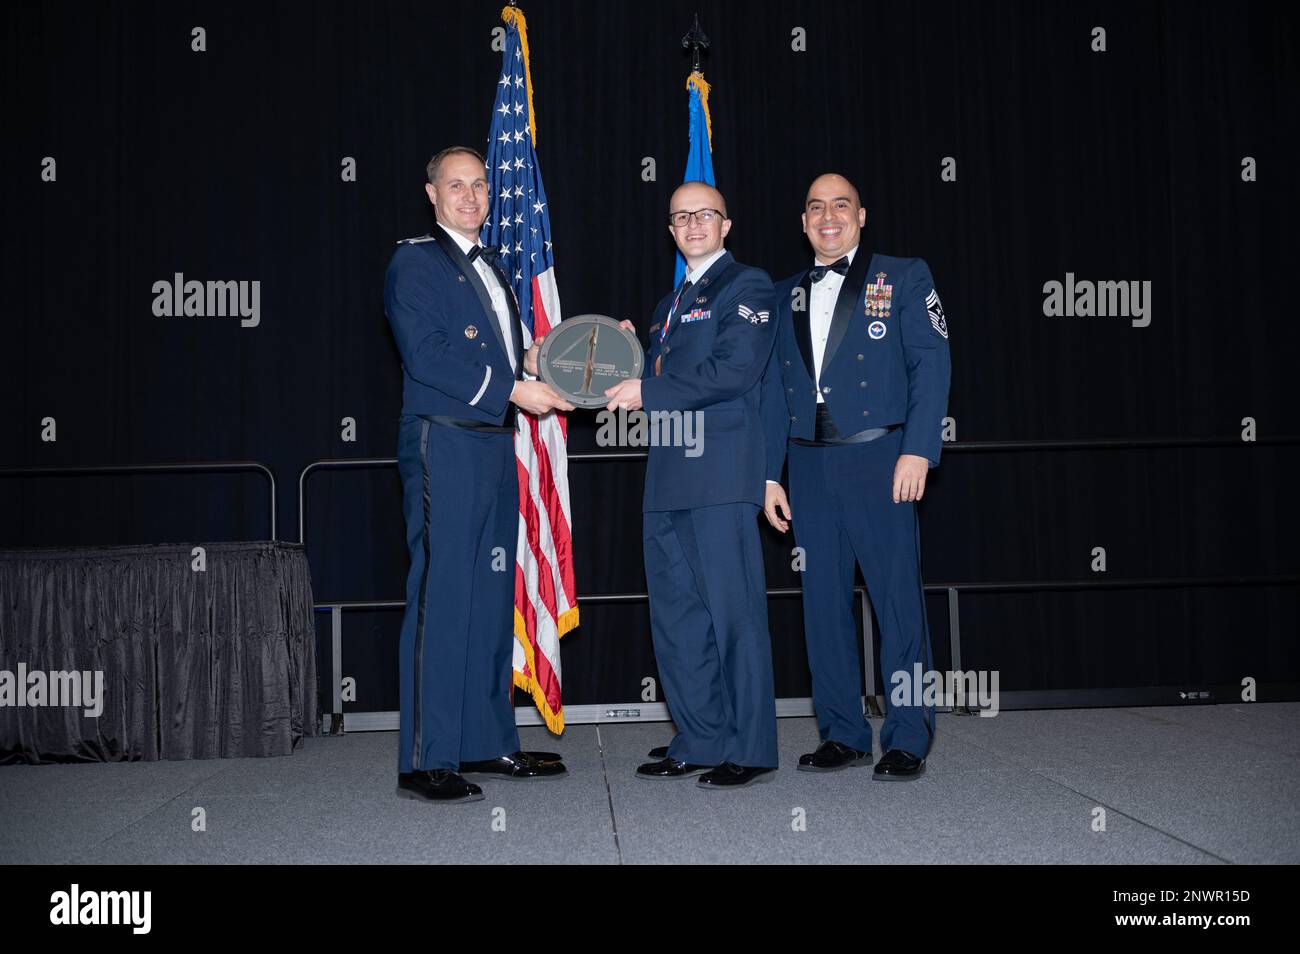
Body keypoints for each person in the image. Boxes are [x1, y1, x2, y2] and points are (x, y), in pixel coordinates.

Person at [383, 146, 573, 802]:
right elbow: (429, 356)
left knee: (490, 600)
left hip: (493, 445)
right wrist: (516, 390)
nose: (470, 196)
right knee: (443, 598)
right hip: (447, 445)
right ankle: (425, 758)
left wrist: (563, 356)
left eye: (479, 185)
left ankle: (485, 740)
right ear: (431, 194)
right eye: (456, 186)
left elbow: (509, 356)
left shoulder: (491, 264)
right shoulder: (415, 260)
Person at [760, 173, 951, 781]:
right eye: (815, 207)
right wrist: (770, 475)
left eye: (840, 205)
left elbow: (932, 362)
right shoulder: (783, 292)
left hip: (880, 459)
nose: (828, 216)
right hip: (807, 465)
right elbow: (769, 393)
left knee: (897, 602)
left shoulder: (904, 275)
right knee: (821, 605)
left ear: (861, 216)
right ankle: (842, 731)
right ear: (803, 221)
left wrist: (919, 450)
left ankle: (907, 735)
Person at [605, 181, 780, 789]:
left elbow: (733, 371)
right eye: (682, 217)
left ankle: (752, 747)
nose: (694, 224)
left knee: (735, 617)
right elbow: (663, 379)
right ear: (672, 230)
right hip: (668, 477)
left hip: (720, 475)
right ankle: (701, 735)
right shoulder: (666, 306)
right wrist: (629, 356)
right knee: (678, 621)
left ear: (726, 224)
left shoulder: (748, 286)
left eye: (706, 214)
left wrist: (648, 389)